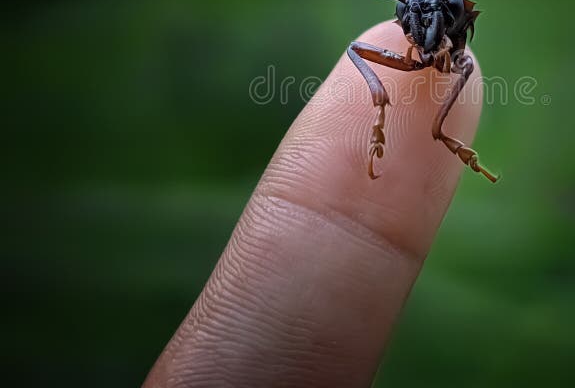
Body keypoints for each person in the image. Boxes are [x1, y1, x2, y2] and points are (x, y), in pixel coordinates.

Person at [144, 20, 484, 387]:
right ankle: (390, 110)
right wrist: (383, 103)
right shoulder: (413, 28)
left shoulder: (451, 36)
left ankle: (439, 130)